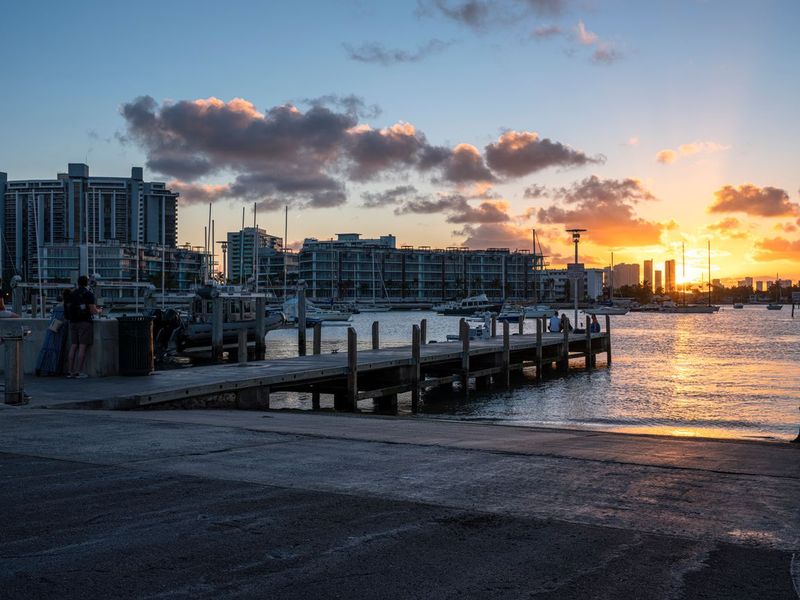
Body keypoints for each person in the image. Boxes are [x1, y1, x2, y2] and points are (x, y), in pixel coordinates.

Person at [65, 275, 101, 378]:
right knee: (82, 347)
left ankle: (70, 371)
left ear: (78, 282)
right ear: (87, 282)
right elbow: (93, 311)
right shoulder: (88, 294)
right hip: (84, 322)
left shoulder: (73, 293)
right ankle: (78, 371)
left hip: (72, 322)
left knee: (73, 346)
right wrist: (99, 310)